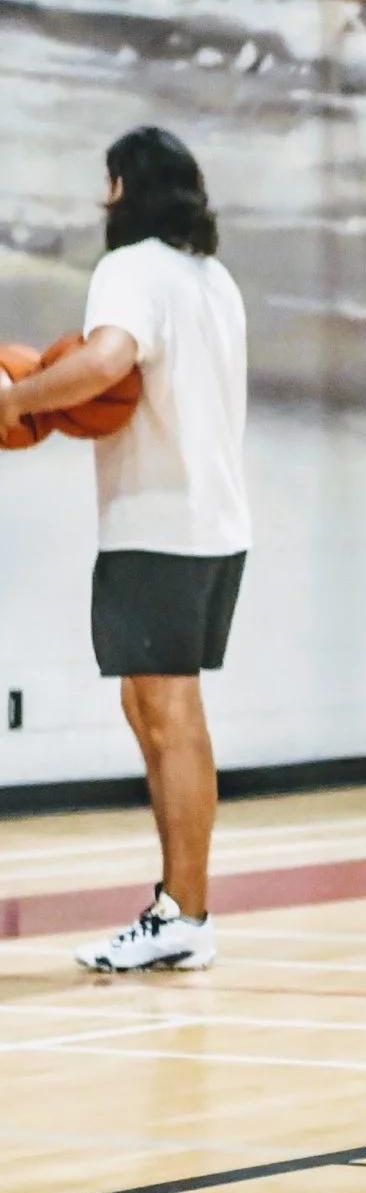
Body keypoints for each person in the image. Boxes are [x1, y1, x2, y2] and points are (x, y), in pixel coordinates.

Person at [0, 128, 248, 972]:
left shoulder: (132, 268)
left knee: (167, 715)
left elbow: (106, 362)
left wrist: (21, 399)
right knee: (156, 711)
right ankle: (180, 907)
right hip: (215, 524)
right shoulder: (213, 279)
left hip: (157, 524)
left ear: (122, 189)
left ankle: (185, 913)